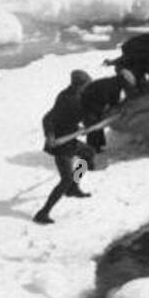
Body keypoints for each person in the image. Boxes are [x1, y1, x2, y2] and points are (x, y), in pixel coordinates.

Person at [33, 70, 96, 225]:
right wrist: (50, 135)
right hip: (62, 145)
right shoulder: (69, 100)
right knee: (65, 179)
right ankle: (43, 213)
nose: (88, 87)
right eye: (87, 84)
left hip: (70, 139)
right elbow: (48, 118)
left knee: (88, 154)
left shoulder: (70, 95)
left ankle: (73, 187)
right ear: (80, 85)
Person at [79, 71, 130, 151]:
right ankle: (92, 148)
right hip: (88, 104)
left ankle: (98, 146)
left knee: (97, 124)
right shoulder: (111, 85)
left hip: (92, 103)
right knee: (93, 125)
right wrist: (105, 109)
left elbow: (114, 100)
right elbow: (106, 98)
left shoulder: (115, 83)